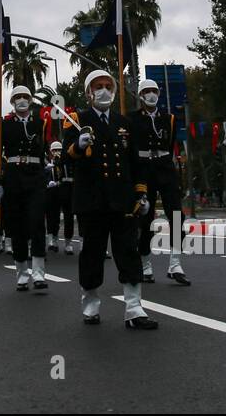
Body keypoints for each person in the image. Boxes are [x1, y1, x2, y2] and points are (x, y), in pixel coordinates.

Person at [62, 69, 158, 329]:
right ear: (88, 92)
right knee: (92, 253)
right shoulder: (75, 120)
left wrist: (141, 192)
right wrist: (78, 146)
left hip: (122, 199)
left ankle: (134, 308)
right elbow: (65, 159)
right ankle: (91, 302)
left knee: (128, 251)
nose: (103, 90)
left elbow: (136, 163)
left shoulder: (124, 123)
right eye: (98, 86)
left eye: (108, 86)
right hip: (91, 200)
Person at [130, 78, 189, 285]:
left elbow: (170, 143)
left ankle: (175, 263)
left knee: (176, 215)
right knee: (145, 219)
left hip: (165, 168)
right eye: (147, 91)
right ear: (140, 95)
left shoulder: (169, 119)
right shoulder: (133, 119)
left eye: (154, 90)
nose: (151, 94)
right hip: (144, 169)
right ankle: (146, 264)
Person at [0, 86, 48, 291]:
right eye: (18, 97)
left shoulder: (40, 123)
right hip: (14, 177)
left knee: (37, 222)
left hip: (35, 175)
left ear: (31, 100)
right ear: (12, 101)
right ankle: (22, 272)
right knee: (18, 226)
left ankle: (39, 273)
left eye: (25, 97)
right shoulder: (5, 125)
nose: (22, 100)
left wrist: (45, 171)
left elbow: (44, 151)